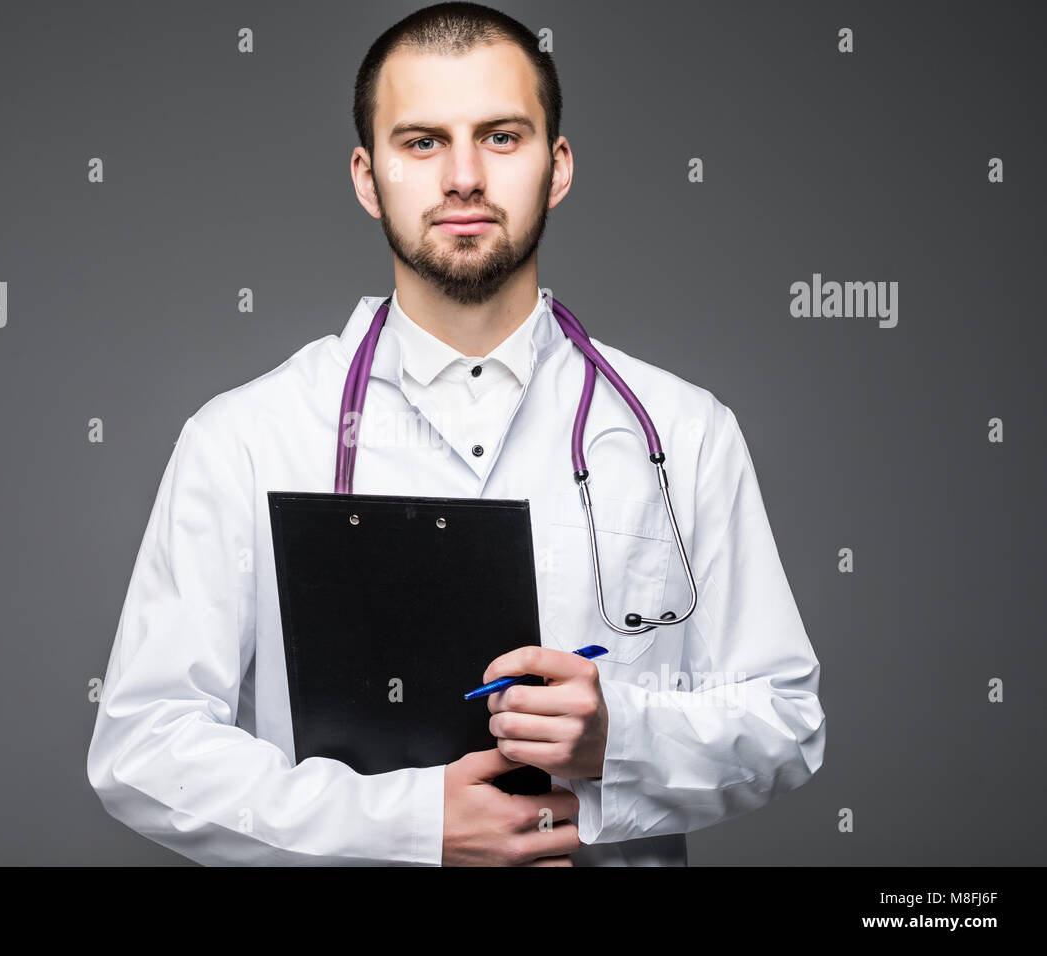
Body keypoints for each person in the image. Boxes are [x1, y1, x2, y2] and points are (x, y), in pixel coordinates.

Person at [86, 1, 825, 867]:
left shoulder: (684, 431)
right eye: (422, 141)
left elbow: (785, 720)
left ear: (557, 168)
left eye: (502, 137)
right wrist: (409, 823)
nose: (464, 177)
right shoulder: (245, 437)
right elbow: (143, 749)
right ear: (368, 177)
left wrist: (623, 733)